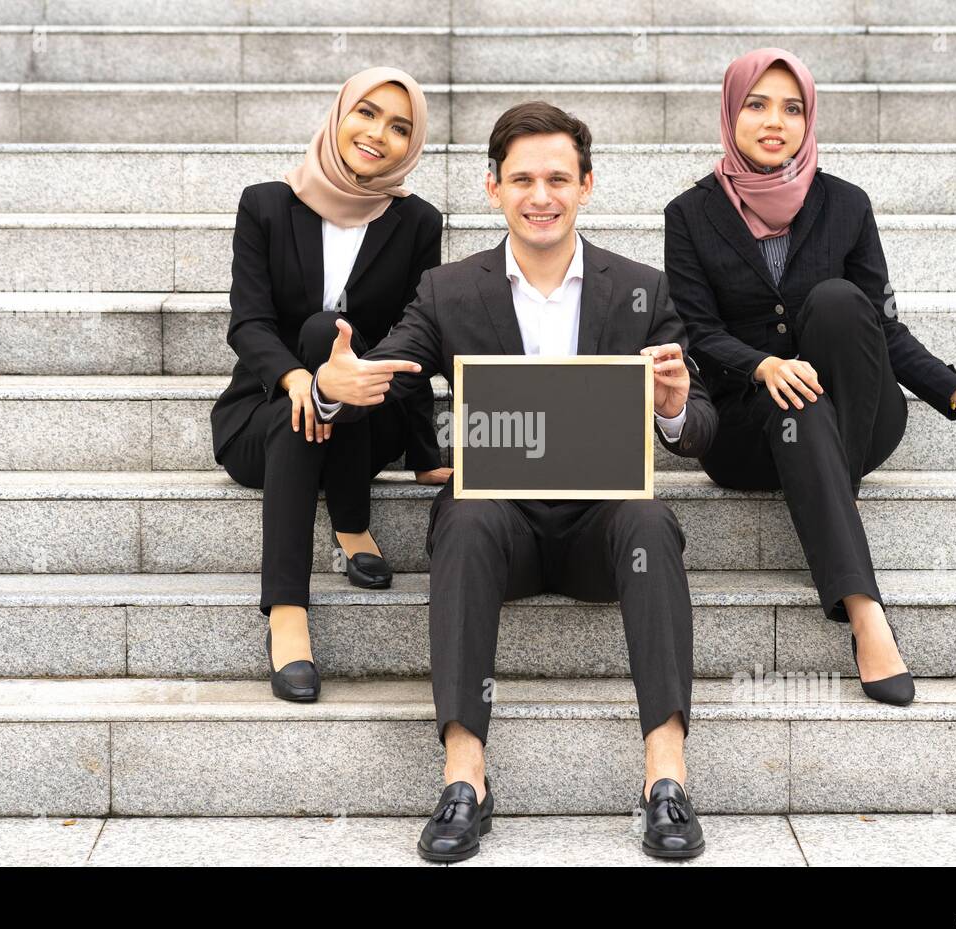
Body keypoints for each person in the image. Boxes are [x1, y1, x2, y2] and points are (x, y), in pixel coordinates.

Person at [313, 101, 720, 862]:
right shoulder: (449, 290)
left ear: (588, 186)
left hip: (603, 531)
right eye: (524, 178)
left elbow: (700, 424)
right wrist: (338, 384)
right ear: (493, 187)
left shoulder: (640, 290)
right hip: (500, 532)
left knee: (651, 520)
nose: (542, 195)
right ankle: (465, 776)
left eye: (559, 178)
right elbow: (389, 369)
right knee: (463, 512)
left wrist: (671, 408)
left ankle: (666, 776)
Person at [663, 49, 956, 707]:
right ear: (730, 111)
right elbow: (697, 332)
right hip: (748, 430)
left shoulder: (846, 205)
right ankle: (866, 615)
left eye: (792, 108)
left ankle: (840, 479)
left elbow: (881, 327)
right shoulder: (689, 215)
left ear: (809, 118)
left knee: (836, 301)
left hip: (859, 418)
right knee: (794, 404)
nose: (775, 122)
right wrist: (763, 364)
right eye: (758, 104)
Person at [209, 67, 452, 704]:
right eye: (366, 113)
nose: (379, 134)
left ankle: (327, 550)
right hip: (261, 415)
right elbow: (250, 323)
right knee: (311, 363)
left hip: (363, 424)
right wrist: (296, 380)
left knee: (331, 342)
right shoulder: (265, 204)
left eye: (401, 127)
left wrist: (425, 453)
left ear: (413, 143)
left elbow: (418, 335)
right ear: (339, 114)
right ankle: (299, 597)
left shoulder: (418, 222)